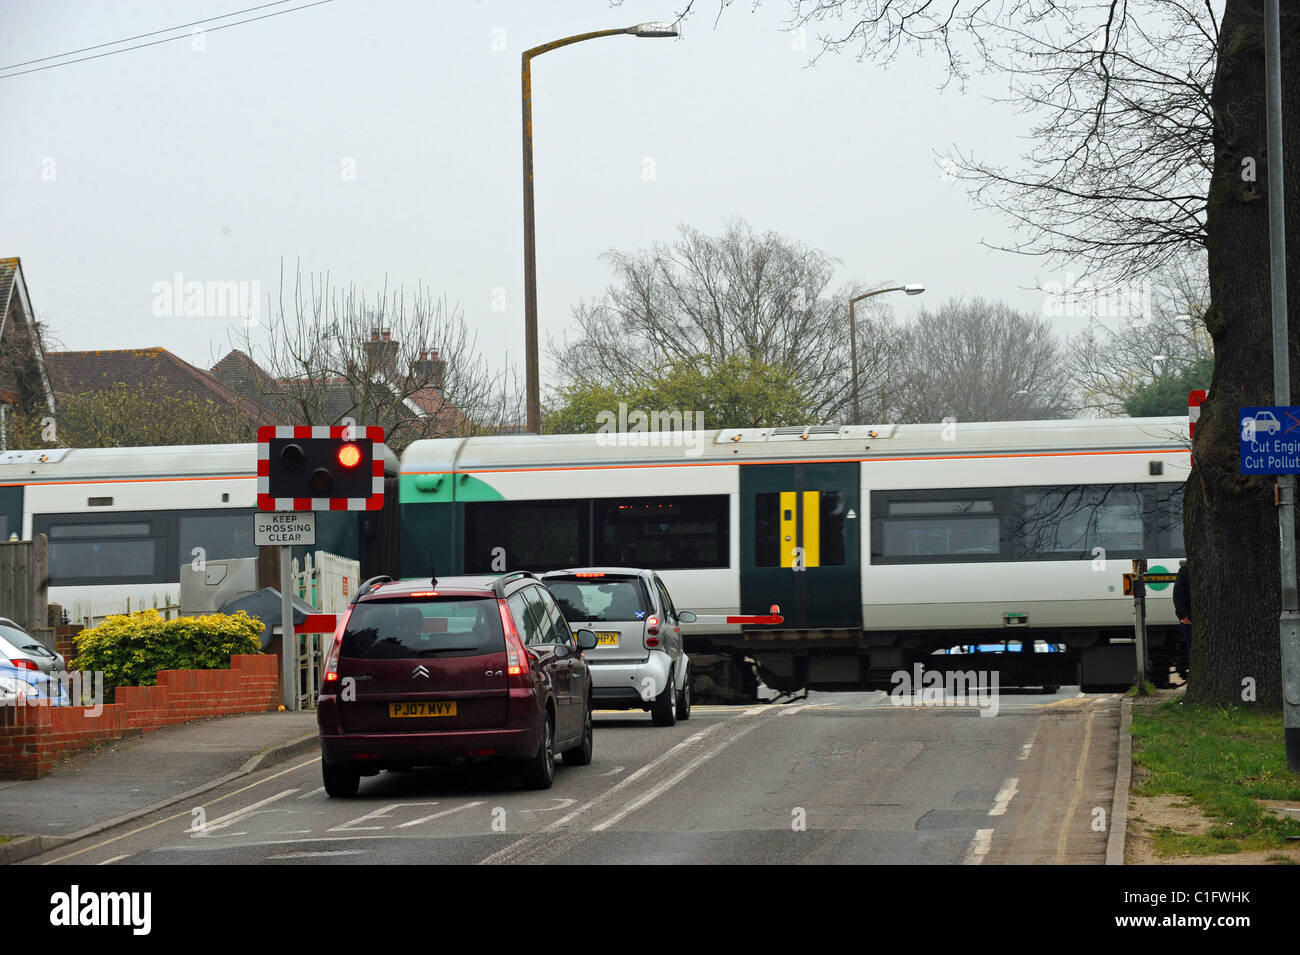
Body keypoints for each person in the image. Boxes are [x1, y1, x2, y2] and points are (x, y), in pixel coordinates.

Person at [1173, 559, 1191, 685]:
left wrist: (1182, 614)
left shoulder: (1185, 569)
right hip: (1190, 617)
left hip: (1189, 617)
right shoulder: (1185, 569)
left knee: (1192, 647)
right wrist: (1182, 614)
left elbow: (1178, 593)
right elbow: (1178, 593)